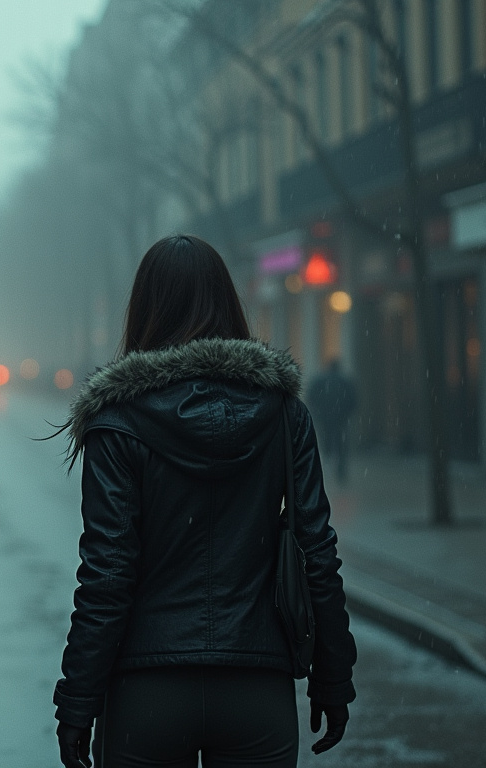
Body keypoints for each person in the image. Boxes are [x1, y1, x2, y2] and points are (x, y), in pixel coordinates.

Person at [53, 235, 357, 768]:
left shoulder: (118, 423)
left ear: (145, 308)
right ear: (229, 303)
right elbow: (318, 552)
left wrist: (78, 698)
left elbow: (106, 574)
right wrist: (333, 675)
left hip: (147, 692)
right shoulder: (284, 416)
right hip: (255, 686)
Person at [307, 360, 357, 482]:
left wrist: (318, 413)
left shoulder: (320, 381)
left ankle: (327, 465)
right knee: (341, 443)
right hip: (340, 418)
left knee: (326, 441)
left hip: (325, 417)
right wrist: (346, 413)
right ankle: (340, 470)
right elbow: (353, 399)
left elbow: (311, 397)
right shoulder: (344, 382)